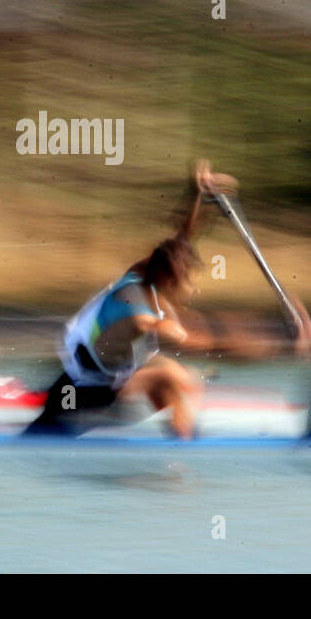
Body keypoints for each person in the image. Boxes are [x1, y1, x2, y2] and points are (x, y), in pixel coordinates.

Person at [25, 161, 265, 439]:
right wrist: (257, 346)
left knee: (185, 379)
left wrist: (197, 195)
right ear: (172, 280)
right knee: (174, 379)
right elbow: (196, 342)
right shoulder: (140, 318)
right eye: (191, 283)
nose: (195, 291)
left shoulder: (145, 274)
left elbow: (181, 241)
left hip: (94, 382)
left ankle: (186, 439)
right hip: (80, 398)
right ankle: (185, 454)